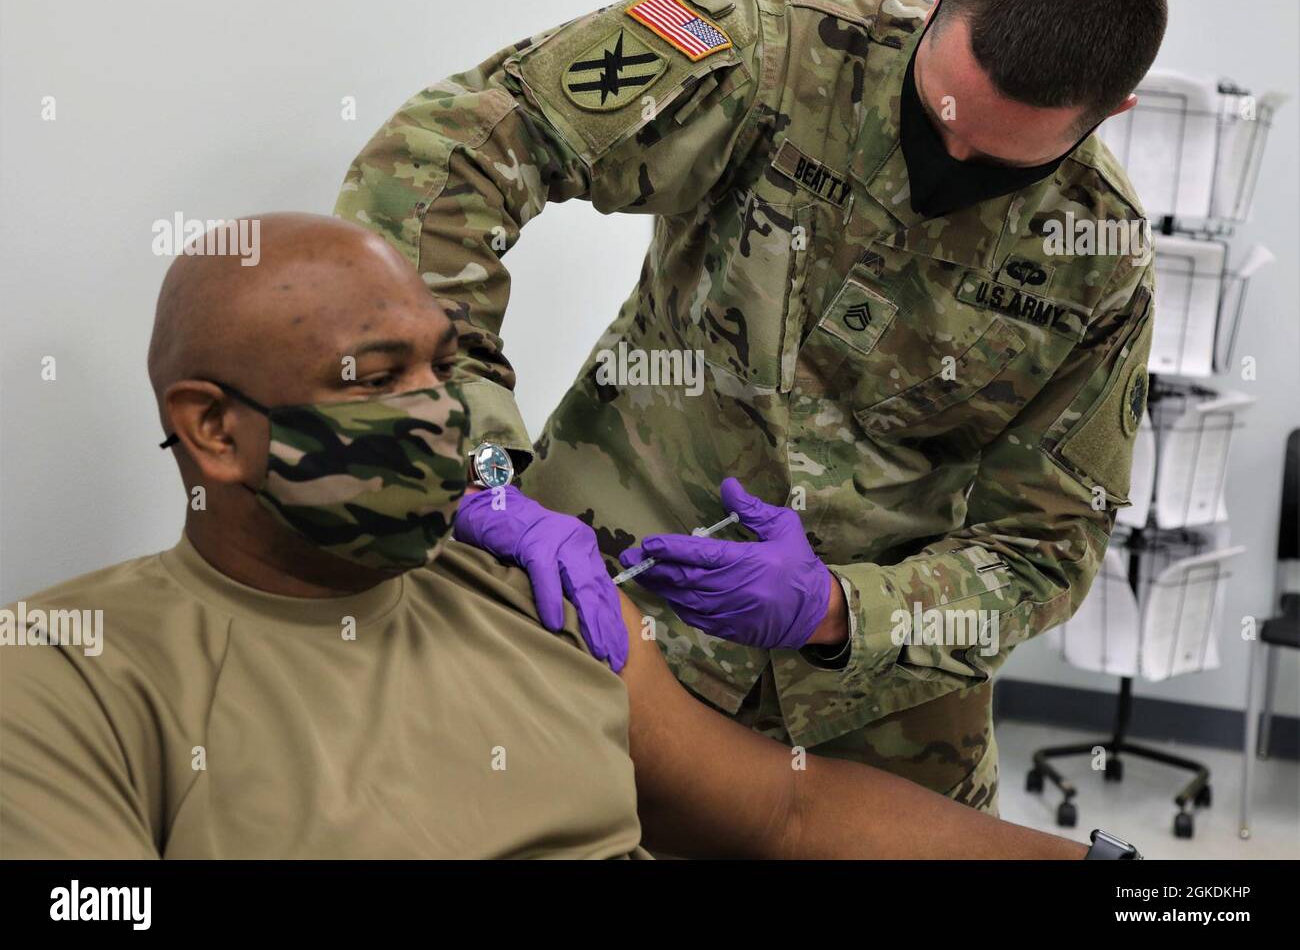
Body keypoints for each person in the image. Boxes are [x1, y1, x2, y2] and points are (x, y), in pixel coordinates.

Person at [334, 0, 1164, 811]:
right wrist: (479, 464)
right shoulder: (774, 54)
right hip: (593, 596)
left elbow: (1045, 549)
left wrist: (838, 610)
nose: (952, 160)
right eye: (938, 120)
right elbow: (444, 156)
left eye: (996, 165)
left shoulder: (1100, 261)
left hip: (862, 706)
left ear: (1113, 112)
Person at [0, 214, 1112, 860]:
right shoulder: (68, 672)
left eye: (442, 366)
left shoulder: (525, 591)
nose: (442, 412)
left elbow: (788, 805)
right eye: (380, 380)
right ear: (212, 428)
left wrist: (1135, 878)